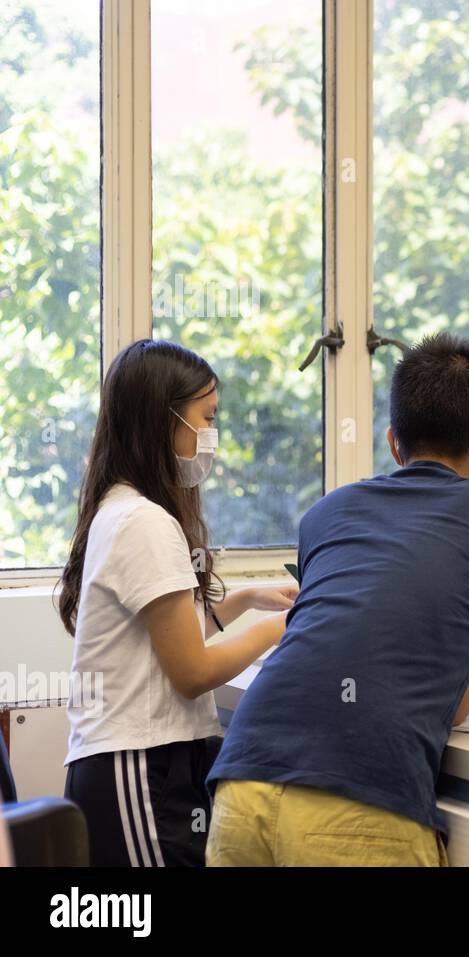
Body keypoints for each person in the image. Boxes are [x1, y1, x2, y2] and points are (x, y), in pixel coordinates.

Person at [205, 333, 469, 866]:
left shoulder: (326, 513)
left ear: (394, 443)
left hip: (241, 785)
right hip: (359, 805)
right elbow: (459, 704)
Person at [58, 340, 296, 866]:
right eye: (205, 418)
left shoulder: (123, 508)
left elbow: (165, 640)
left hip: (139, 765)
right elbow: (190, 671)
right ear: (162, 419)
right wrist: (283, 628)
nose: (210, 437)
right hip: (137, 767)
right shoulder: (144, 523)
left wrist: (244, 602)